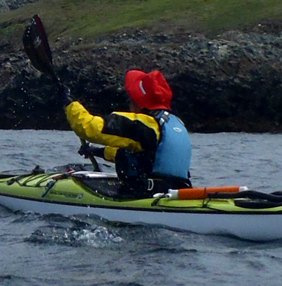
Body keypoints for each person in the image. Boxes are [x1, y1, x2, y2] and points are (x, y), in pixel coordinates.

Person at [60, 69, 192, 196]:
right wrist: (96, 151)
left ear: (139, 103)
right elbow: (135, 156)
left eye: (131, 100)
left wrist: (70, 104)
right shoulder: (174, 124)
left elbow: (88, 128)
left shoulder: (143, 125)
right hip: (176, 193)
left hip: (143, 194)